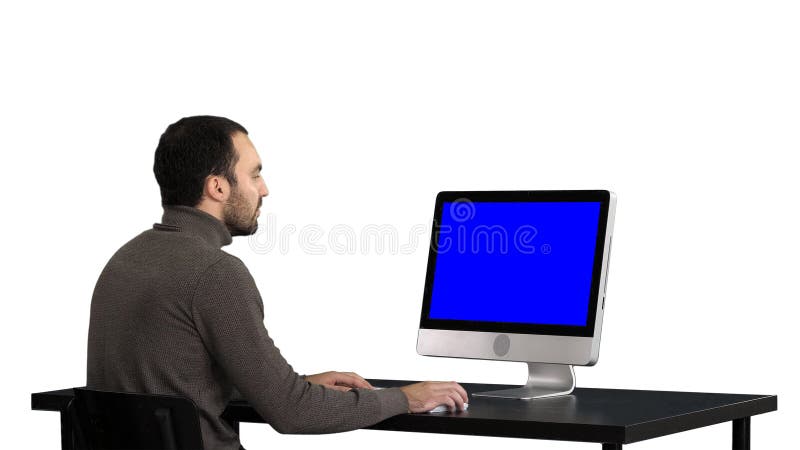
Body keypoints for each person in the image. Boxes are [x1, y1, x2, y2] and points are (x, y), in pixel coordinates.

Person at [86, 116, 468, 450]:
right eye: (254, 174)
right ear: (217, 187)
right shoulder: (215, 273)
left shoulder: (124, 260)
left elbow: (172, 385)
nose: (264, 189)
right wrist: (403, 398)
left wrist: (289, 384)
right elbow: (292, 413)